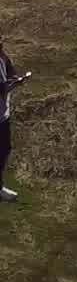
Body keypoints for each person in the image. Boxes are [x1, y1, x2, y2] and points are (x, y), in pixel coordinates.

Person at [1, 30, 29, 201]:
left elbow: (10, 72)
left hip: (2, 114)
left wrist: (16, 78)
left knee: (4, 150)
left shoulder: (2, 56)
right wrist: (12, 85)